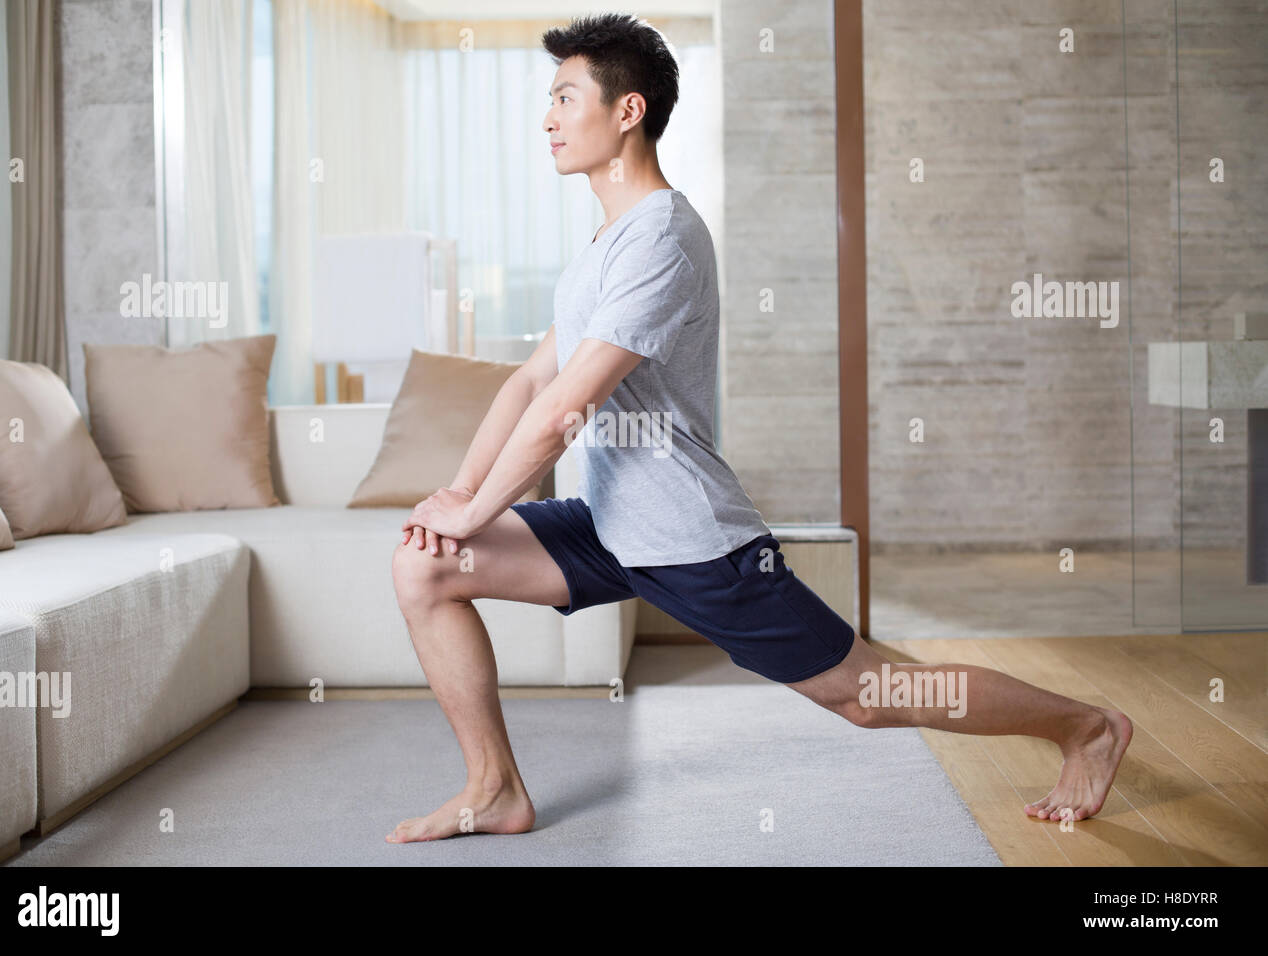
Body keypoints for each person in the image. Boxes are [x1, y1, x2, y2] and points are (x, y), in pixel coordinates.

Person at [385, 13, 1132, 844]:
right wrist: (460, 495)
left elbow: (567, 409)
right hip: (616, 525)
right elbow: (529, 380)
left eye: (565, 97)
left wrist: (477, 508)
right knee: (426, 569)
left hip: (689, 536)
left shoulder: (662, 238)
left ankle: (1085, 726)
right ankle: (494, 791)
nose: (548, 118)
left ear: (627, 111)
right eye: (548, 100)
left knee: (869, 696)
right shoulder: (603, 242)